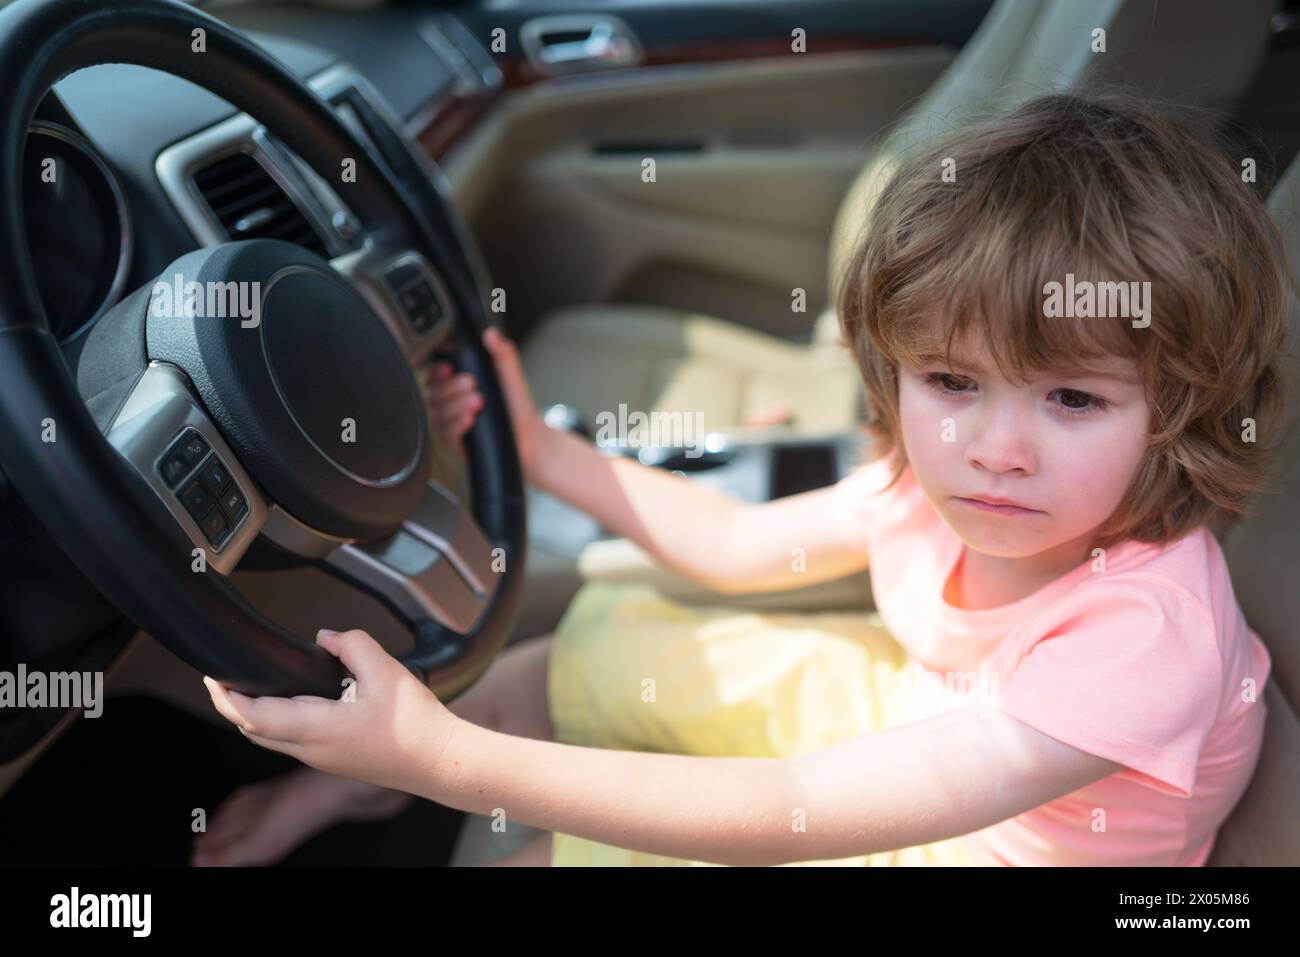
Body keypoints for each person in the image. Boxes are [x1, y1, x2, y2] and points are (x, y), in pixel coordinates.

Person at [195, 90, 1286, 867]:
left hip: (981, 844)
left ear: (1178, 412)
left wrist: (446, 758)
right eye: (952, 379)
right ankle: (355, 786)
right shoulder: (937, 487)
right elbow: (725, 546)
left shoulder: (1146, 640)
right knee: (606, 638)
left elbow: (798, 806)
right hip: (917, 720)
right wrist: (544, 453)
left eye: (1073, 401)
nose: (995, 448)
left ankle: (416, 783)